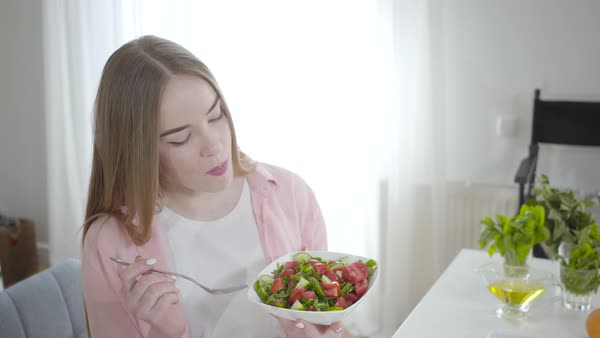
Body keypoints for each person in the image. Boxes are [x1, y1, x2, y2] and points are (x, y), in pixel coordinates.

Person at [81, 35, 344, 338]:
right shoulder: (111, 243)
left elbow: (329, 316)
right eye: (181, 138)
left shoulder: (290, 194)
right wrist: (163, 333)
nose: (214, 144)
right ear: (138, 151)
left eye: (216, 116)